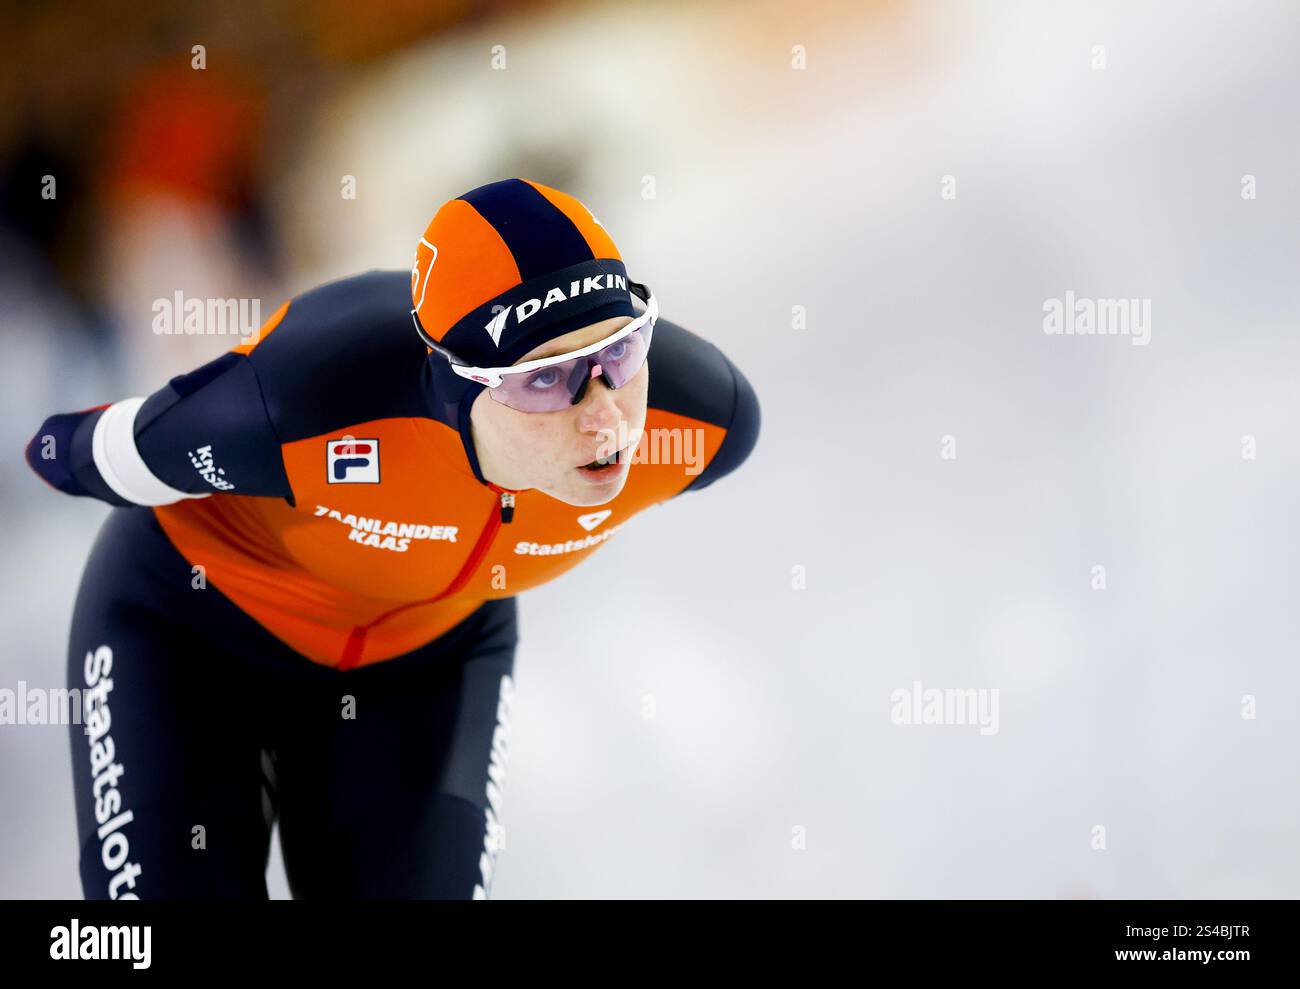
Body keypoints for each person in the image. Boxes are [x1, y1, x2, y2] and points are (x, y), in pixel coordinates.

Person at [25, 177, 761, 900]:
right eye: (548, 379)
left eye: (622, 353)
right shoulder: (306, 402)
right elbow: (77, 452)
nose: (605, 418)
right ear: (457, 385)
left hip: (420, 664)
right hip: (194, 632)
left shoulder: (702, 423)